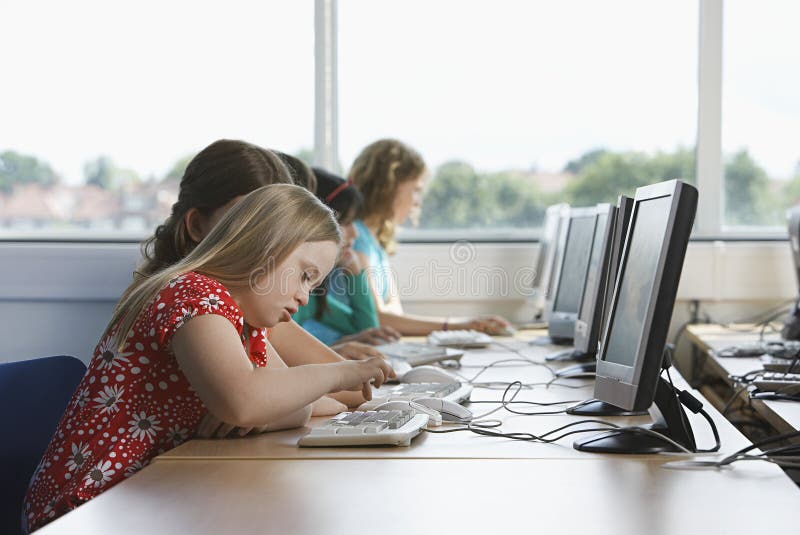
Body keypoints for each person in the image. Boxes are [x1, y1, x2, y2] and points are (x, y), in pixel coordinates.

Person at [23, 185, 394, 532]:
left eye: (313, 286)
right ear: (266, 246)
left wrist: (264, 414)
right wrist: (338, 373)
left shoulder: (246, 321)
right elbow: (248, 400)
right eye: (304, 275)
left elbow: (285, 404)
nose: (303, 296)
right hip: (90, 505)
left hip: (151, 491)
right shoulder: (194, 295)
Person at [139, 139, 389, 396]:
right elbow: (249, 400)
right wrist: (266, 406)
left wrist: (273, 408)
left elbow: (355, 390)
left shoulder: (257, 307)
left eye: (279, 224)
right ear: (196, 226)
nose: (267, 237)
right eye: (247, 219)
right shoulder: (193, 299)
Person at [349, 138, 512, 336]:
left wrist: (462, 326)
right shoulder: (355, 237)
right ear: (389, 186)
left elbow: (394, 312)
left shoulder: (375, 242)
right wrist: (460, 326)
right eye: (415, 190)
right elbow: (379, 319)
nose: (417, 203)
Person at [293, 167, 401, 346]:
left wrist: (355, 273)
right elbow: (280, 360)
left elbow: (367, 328)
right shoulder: (289, 291)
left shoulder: (313, 297)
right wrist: (336, 351)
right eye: (345, 222)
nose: (355, 233)